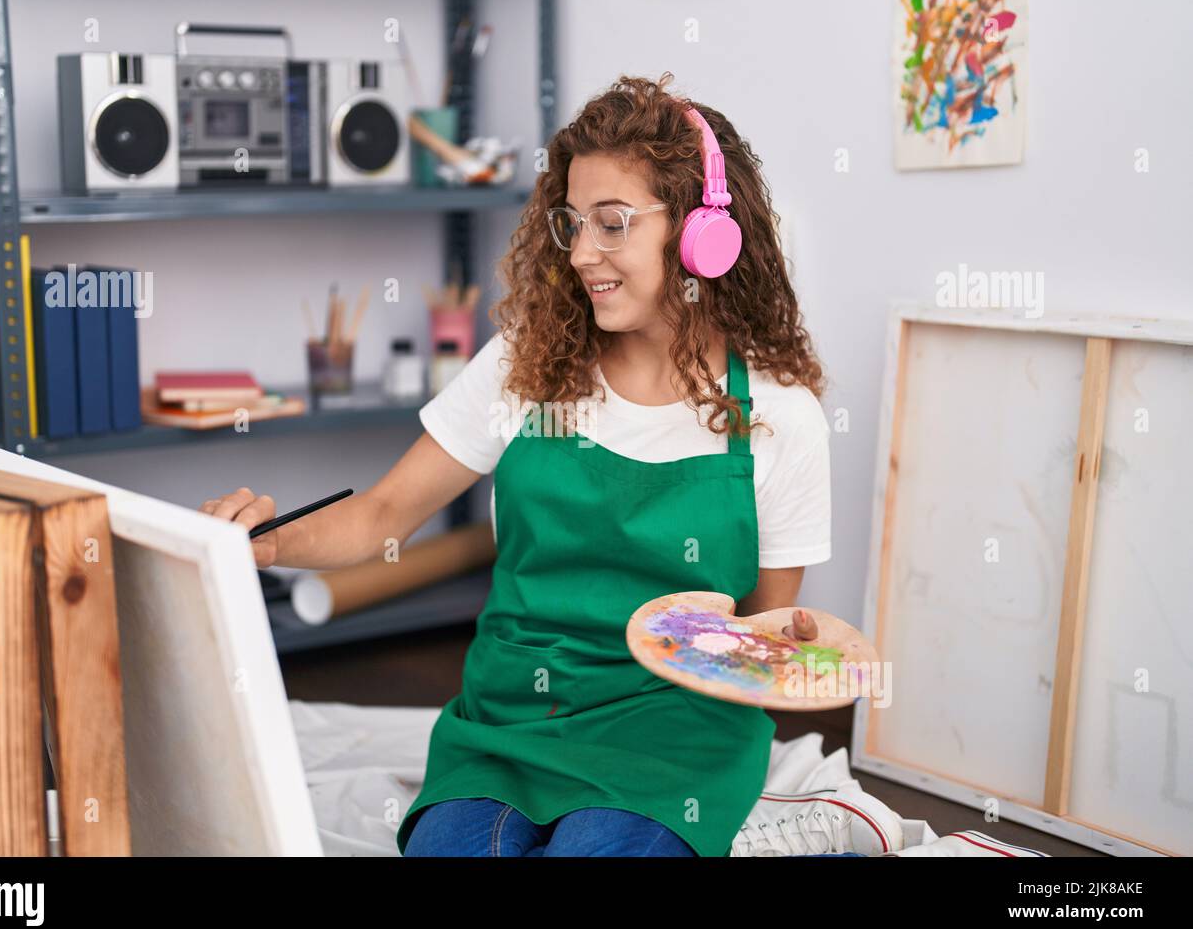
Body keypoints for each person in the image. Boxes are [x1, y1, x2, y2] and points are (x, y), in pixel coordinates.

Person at [199, 72, 832, 857]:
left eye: (613, 224)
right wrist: (266, 542)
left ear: (706, 232)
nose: (584, 255)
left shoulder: (780, 417)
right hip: (512, 725)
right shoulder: (527, 368)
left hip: (674, 736)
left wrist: (790, 653)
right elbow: (383, 513)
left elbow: (763, 638)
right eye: (572, 224)